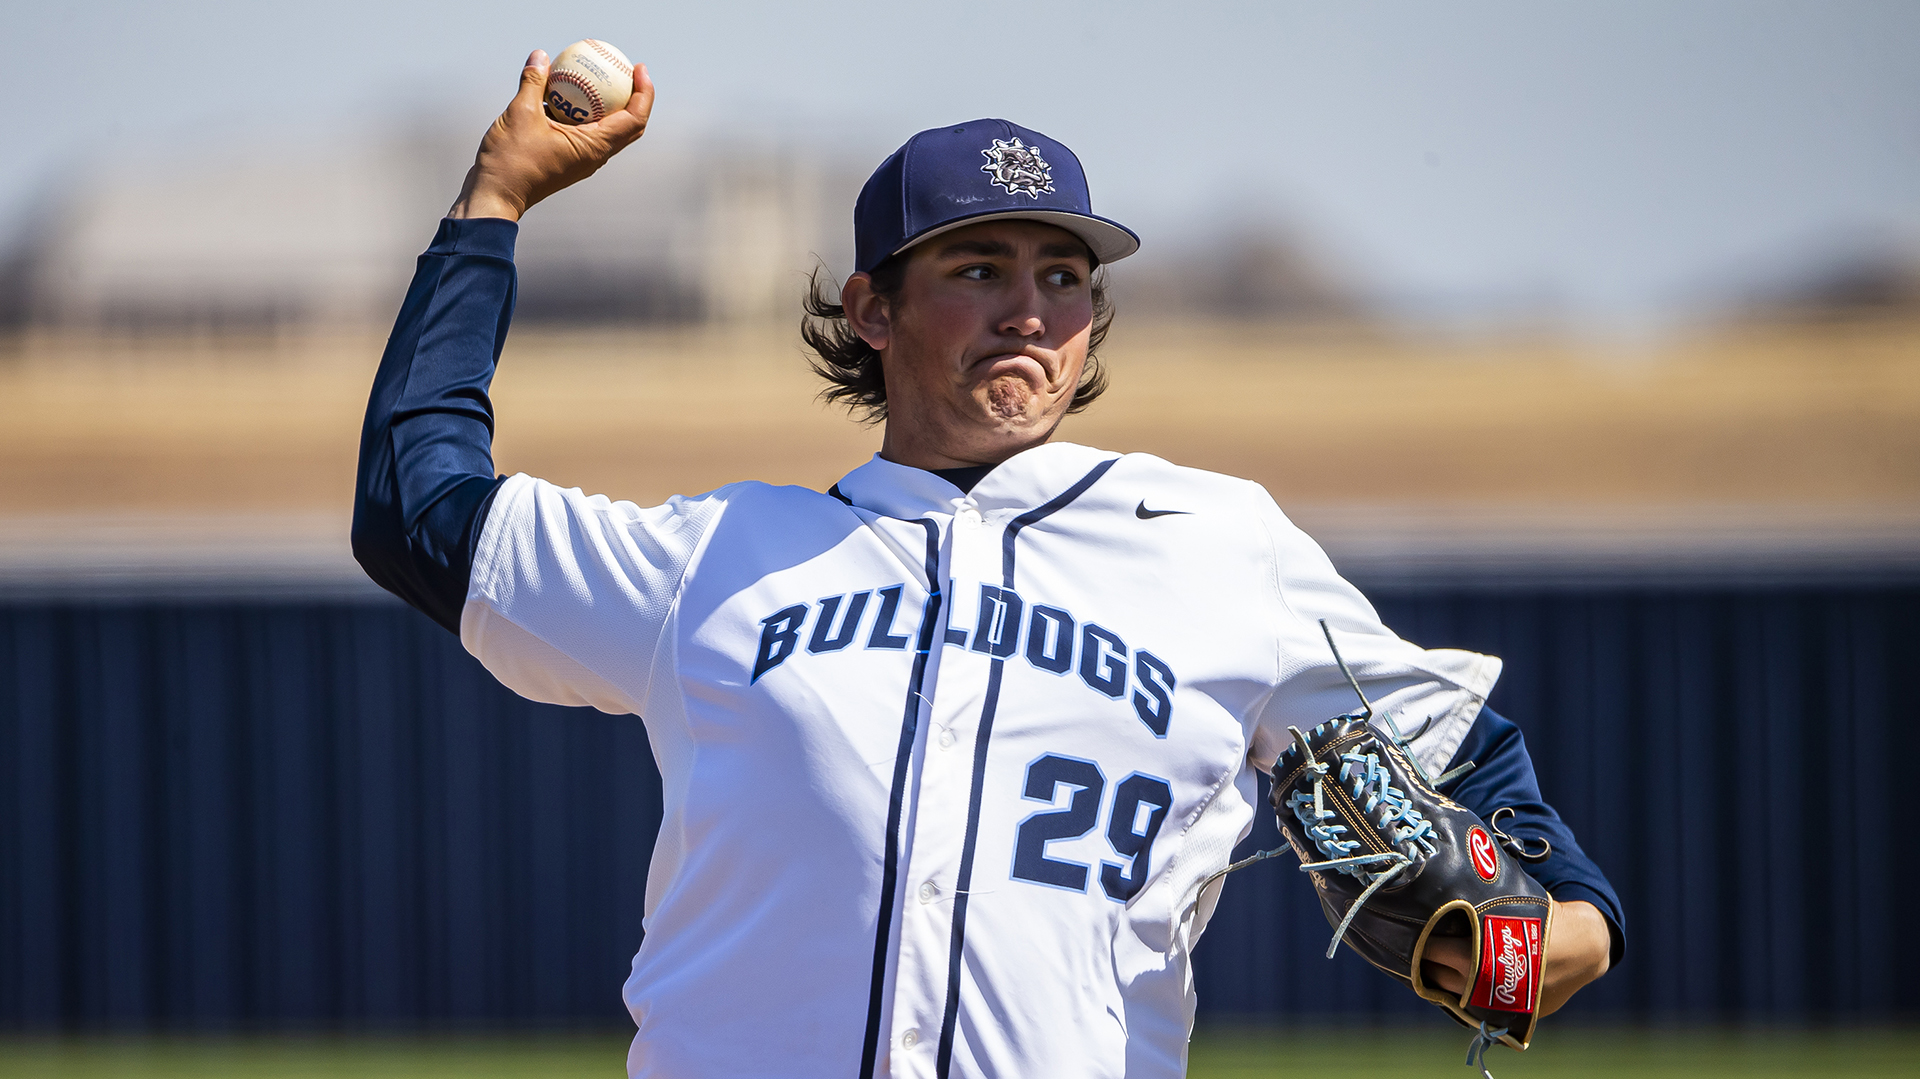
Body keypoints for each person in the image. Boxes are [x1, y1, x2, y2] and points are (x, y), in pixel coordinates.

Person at [353, 49, 1622, 1079]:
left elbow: (1476, 769)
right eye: (978, 267)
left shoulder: (1220, 550)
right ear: (872, 309)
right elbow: (417, 505)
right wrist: (496, 200)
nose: (1031, 309)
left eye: (1062, 275)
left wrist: (1557, 937)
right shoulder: (720, 559)